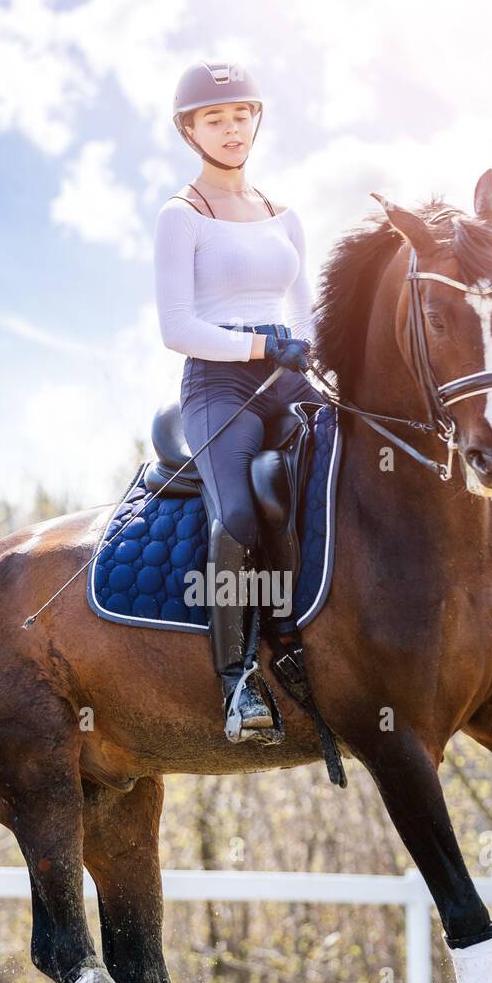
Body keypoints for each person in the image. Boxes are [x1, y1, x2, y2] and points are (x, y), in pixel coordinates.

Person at [154, 60, 326, 743]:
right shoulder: (180, 216)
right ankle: (238, 684)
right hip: (218, 385)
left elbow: (305, 308)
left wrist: (308, 351)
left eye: (241, 116)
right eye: (214, 119)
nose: (231, 130)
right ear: (190, 131)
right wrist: (261, 349)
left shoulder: (283, 215)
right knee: (238, 515)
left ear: (257, 119)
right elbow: (177, 329)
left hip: (290, 377)